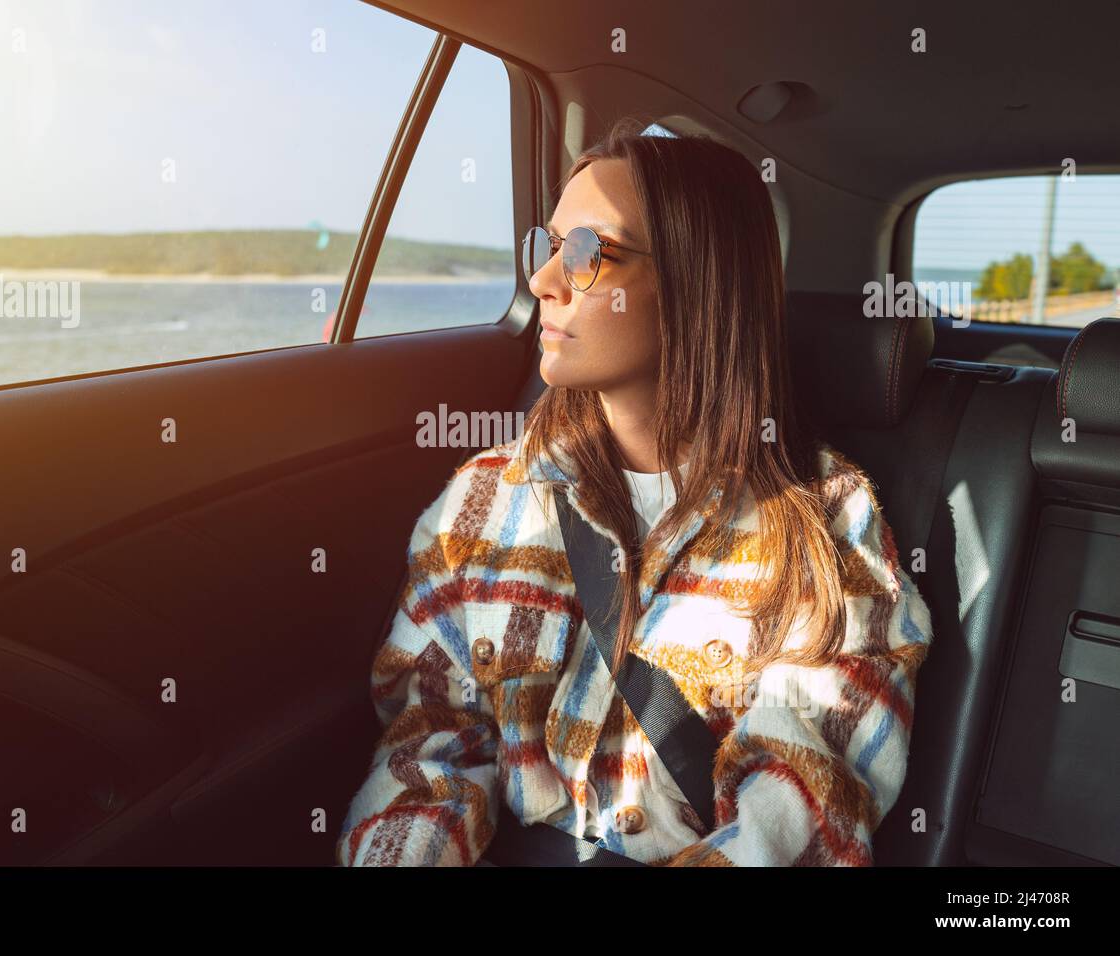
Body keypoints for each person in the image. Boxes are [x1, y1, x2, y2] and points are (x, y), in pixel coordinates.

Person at [335, 115, 934, 867]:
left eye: (591, 253)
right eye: (553, 246)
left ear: (696, 284)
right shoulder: (485, 501)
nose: (544, 280)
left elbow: (803, 801)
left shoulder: (824, 523)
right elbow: (430, 742)